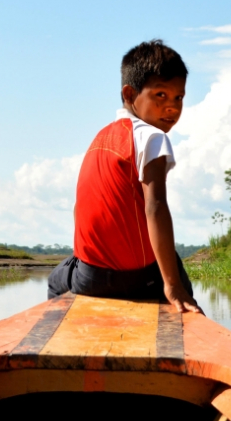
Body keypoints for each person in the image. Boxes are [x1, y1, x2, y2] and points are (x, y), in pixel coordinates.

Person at [47, 40, 202, 313]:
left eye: (179, 98)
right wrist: (173, 286)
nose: (172, 107)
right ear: (130, 94)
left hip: (89, 280)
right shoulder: (151, 137)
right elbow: (155, 207)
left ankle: (60, 333)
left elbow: (79, 208)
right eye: (161, 96)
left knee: (56, 278)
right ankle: (186, 316)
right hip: (142, 281)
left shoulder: (98, 140)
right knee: (175, 266)